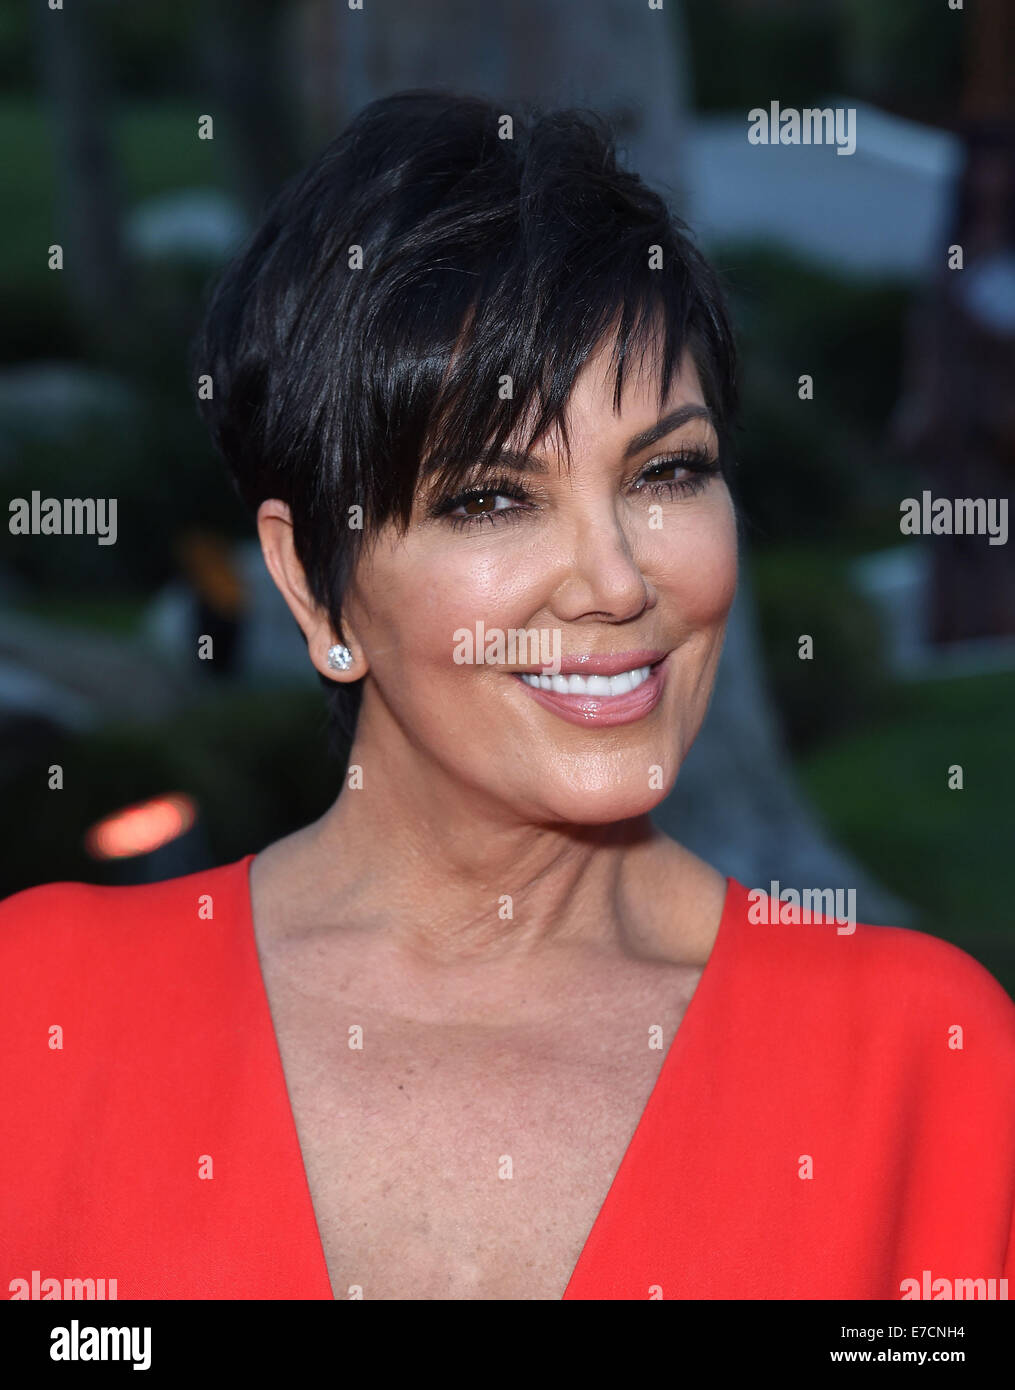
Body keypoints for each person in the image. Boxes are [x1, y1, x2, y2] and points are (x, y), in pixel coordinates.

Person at [2, 91, 1013, 1302]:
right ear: (313, 585)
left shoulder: (921, 1064)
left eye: (667, 472)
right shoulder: (41, 1018)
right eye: (491, 497)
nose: (616, 581)